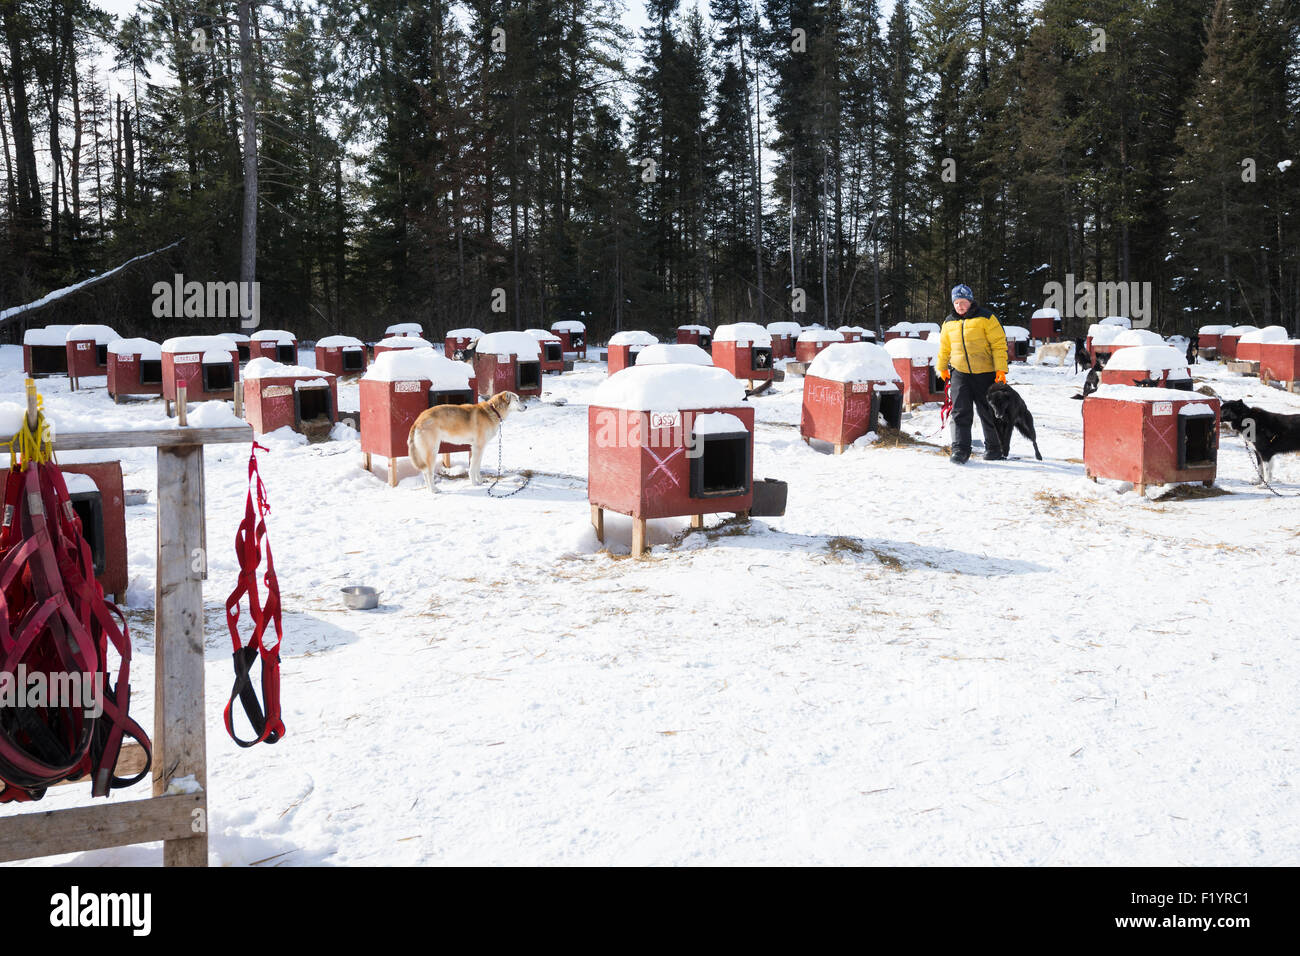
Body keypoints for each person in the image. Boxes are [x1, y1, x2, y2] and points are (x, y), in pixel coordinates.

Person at [936, 284, 1008, 464]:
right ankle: (960, 449)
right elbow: (944, 347)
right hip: (960, 372)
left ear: (970, 301)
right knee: (960, 411)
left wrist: (1001, 369)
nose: (960, 306)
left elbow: (999, 345)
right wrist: (942, 367)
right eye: (956, 302)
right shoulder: (948, 322)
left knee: (988, 411)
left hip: (985, 372)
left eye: (963, 302)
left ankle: (994, 448)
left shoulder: (986, 317)